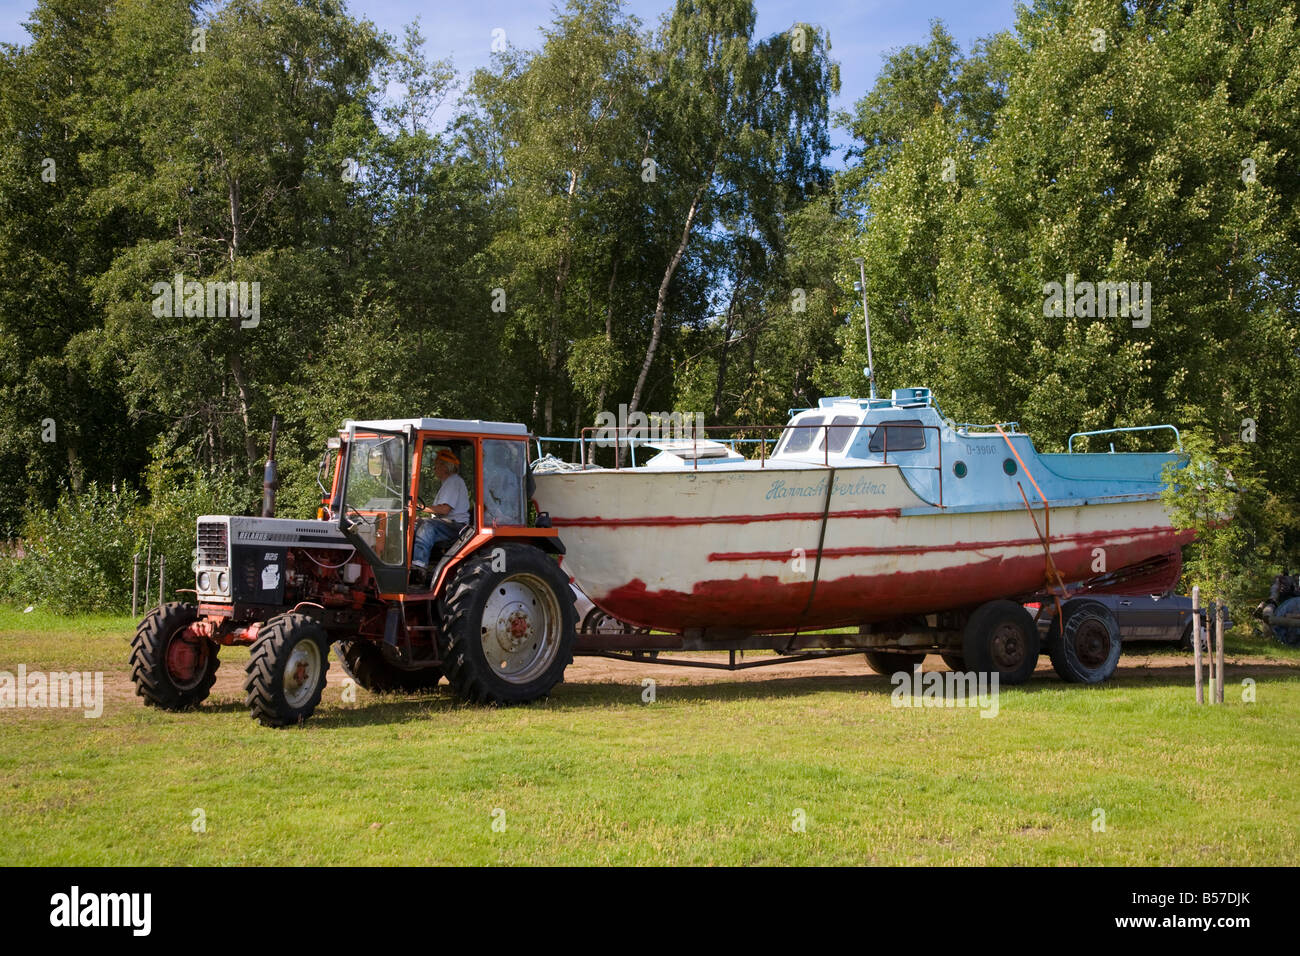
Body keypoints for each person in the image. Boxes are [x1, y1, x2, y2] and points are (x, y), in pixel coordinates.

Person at [410, 448, 470, 583]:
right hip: (447, 523)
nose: (434, 469)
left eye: (436, 465)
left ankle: (419, 567)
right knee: (414, 523)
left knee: (427, 526)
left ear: (445, 467)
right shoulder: (448, 483)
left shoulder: (454, 481)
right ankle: (409, 562)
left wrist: (419, 507)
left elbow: (444, 510)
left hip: (457, 526)